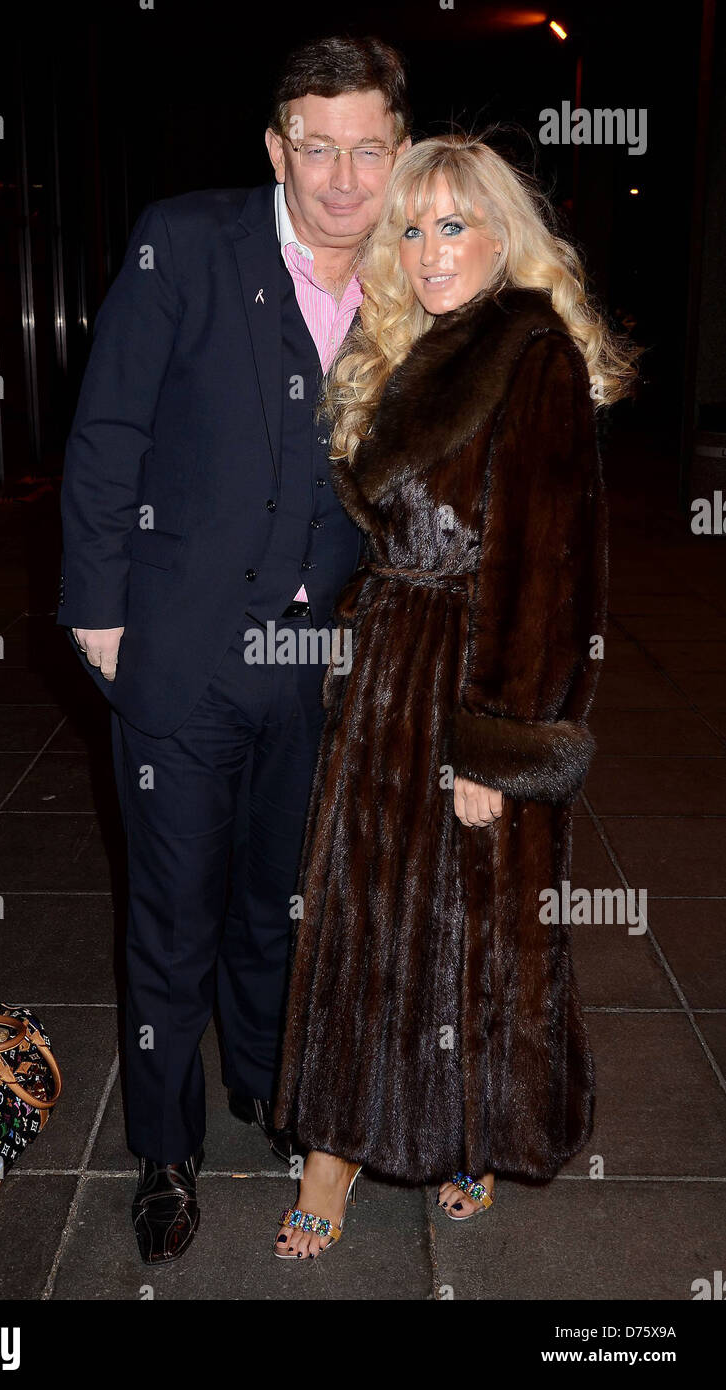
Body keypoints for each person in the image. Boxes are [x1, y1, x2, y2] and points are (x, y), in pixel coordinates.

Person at [56, 35, 413, 1263]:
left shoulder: (415, 280)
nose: (342, 177)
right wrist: (97, 615)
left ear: (398, 151)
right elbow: (106, 433)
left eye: (368, 148)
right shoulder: (186, 240)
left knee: (275, 907)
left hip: (313, 667)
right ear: (277, 148)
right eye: (316, 147)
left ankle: (262, 1082)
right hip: (177, 650)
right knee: (172, 916)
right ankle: (163, 1146)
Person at [272, 133, 639, 1259]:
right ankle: (336, 1145)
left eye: (452, 225)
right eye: (414, 226)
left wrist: (494, 747)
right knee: (360, 917)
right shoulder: (409, 344)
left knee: (468, 929)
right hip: (388, 674)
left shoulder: (528, 349)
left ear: (500, 237)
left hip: (474, 679)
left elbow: (549, 568)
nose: (429, 250)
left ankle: (465, 1131)